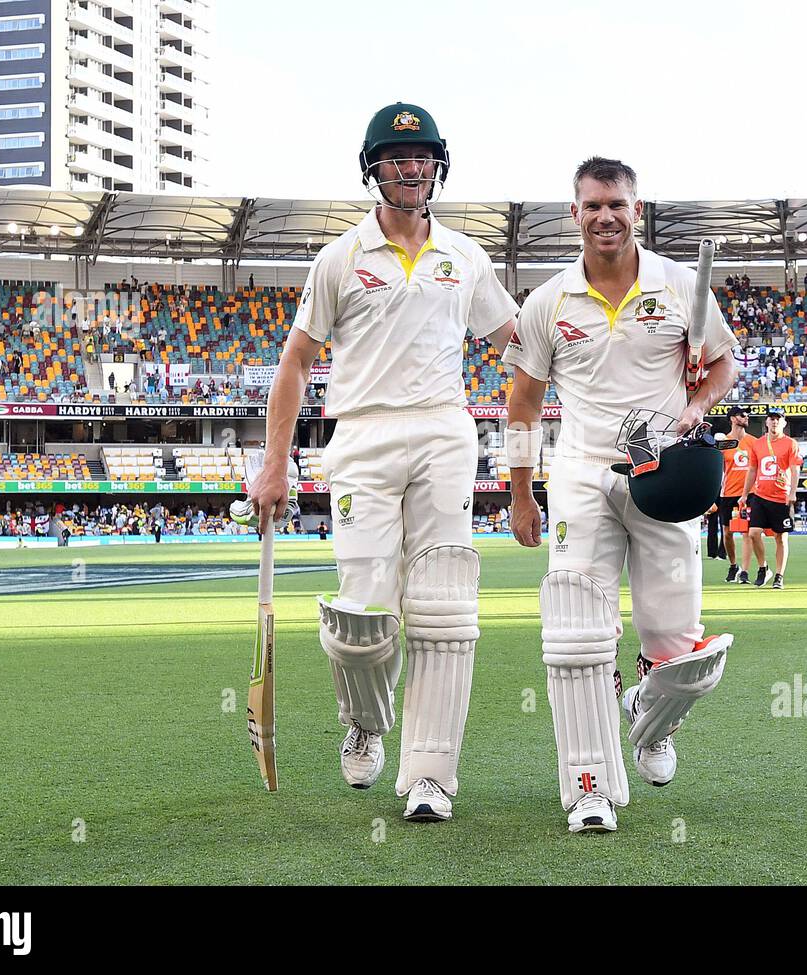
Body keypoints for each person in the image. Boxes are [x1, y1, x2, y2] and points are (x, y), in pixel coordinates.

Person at [248, 102, 518, 823]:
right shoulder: (339, 258)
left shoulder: (466, 257)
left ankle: (430, 775)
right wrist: (277, 463)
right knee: (363, 604)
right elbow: (295, 360)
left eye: (423, 156)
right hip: (361, 435)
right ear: (374, 168)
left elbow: (518, 341)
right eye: (399, 157)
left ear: (438, 166)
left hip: (444, 432)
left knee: (440, 609)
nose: (412, 167)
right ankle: (365, 718)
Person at [504, 156, 739, 833]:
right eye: (592, 205)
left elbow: (723, 361)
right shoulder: (547, 301)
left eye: (617, 204)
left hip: (659, 468)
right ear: (574, 213)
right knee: (576, 632)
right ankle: (590, 787)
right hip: (581, 471)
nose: (605, 216)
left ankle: (650, 718)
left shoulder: (679, 284)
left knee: (683, 654)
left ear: (637, 210)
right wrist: (520, 494)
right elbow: (521, 404)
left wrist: (699, 399)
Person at [739, 406, 801, 589]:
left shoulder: (790, 443)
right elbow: (752, 469)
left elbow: (794, 468)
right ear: (766, 422)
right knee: (753, 533)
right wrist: (744, 494)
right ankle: (763, 567)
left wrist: (792, 492)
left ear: (784, 423)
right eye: (771, 418)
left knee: (780, 538)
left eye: (778, 419)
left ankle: (779, 576)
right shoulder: (758, 444)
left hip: (781, 497)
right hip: (760, 495)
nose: (774, 422)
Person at [719, 406, 757, 584]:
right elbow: (717, 470)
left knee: (746, 533)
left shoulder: (754, 442)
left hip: (749, 493)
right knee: (727, 533)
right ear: (733, 419)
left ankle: (745, 571)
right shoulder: (723, 443)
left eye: (747, 415)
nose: (746, 417)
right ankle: (733, 565)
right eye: (742, 415)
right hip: (728, 493)